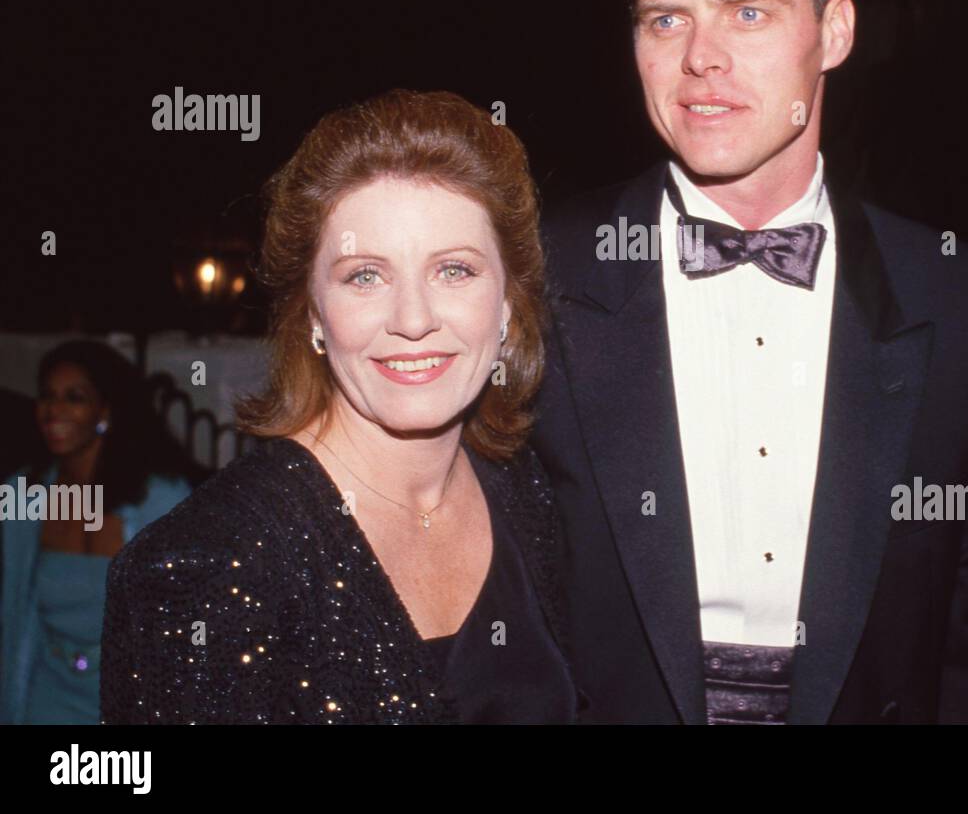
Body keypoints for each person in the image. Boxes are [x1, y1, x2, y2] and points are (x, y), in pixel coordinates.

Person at [532, 0, 968, 724]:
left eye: (748, 12)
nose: (701, 57)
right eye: (667, 18)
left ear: (834, 30)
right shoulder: (532, 276)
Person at [100, 89, 577, 724]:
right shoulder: (201, 567)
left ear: (509, 301)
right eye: (365, 276)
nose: (413, 320)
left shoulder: (524, 490)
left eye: (454, 270)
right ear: (314, 314)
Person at [0, 340, 195, 724]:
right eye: (47, 396)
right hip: (44, 694)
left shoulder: (160, 500)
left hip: (132, 700)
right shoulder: (24, 495)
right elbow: (13, 611)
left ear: (105, 410)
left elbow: (186, 620)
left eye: (74, 398)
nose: (53, 410)